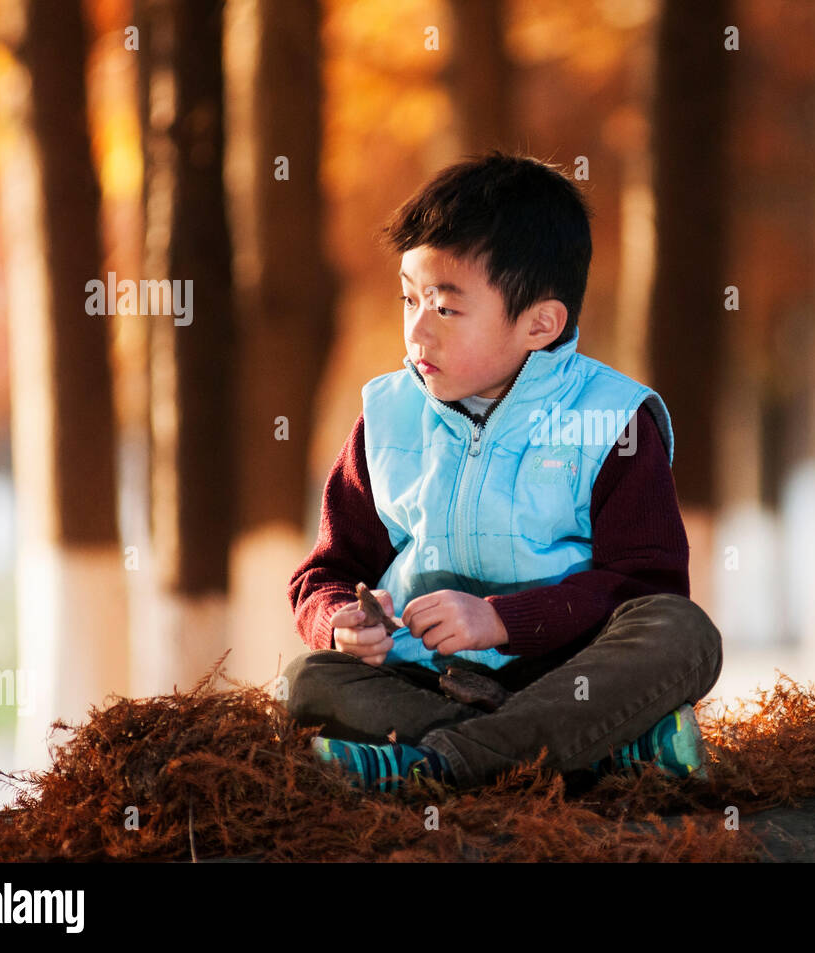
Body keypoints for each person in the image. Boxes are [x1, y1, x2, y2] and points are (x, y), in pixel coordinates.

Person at [284, 150, 723, 794]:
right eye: (409, 299)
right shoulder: (388, 417)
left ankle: (438, 766)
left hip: (571, 680)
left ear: (540, 324)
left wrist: (503, 621)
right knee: (308, 680)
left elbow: (645, 585)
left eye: (446, 309)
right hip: (426, 681)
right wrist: (340, 620)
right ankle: (582, 760)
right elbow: (327, 571)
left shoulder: (614, 421)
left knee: (683, 634)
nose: (416, 333)